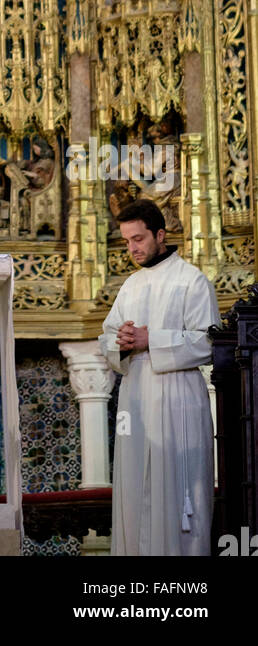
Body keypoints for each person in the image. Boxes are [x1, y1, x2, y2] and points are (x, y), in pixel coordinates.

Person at [99, 199, 221, 556]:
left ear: (160, 235)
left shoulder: (192, 281)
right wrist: (121, 343)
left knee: (179, 490)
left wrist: (152, 340)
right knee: (134, 491)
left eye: (138, 239)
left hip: (178, 400)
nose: (132, 248)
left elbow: (208, 342)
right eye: (127, 241)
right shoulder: (130, 286)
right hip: (136, 398)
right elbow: (108, 336)